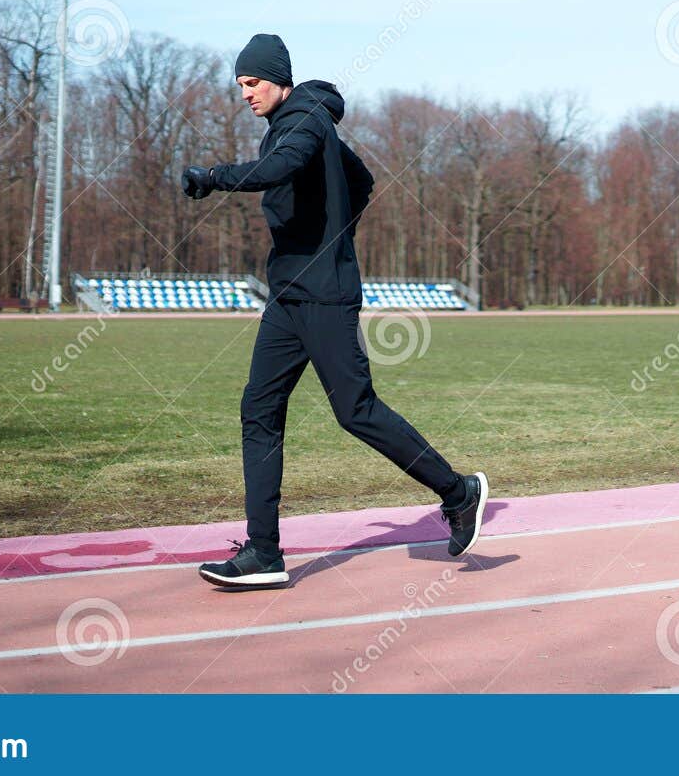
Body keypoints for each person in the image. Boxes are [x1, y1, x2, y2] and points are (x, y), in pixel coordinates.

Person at [181, 32, 487, 589]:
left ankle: (459, 492)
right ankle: (263, 553)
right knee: (259, 407)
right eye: (240, 85)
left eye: (252, 83)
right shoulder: (300, 124)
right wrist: (332, 227)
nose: (245, 94)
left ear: (279, 78)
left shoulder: (302, 122)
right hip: (289, 294)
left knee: (355, 410)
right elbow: (361, 182)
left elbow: (275, 170)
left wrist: (212, 177)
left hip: (323, 294)